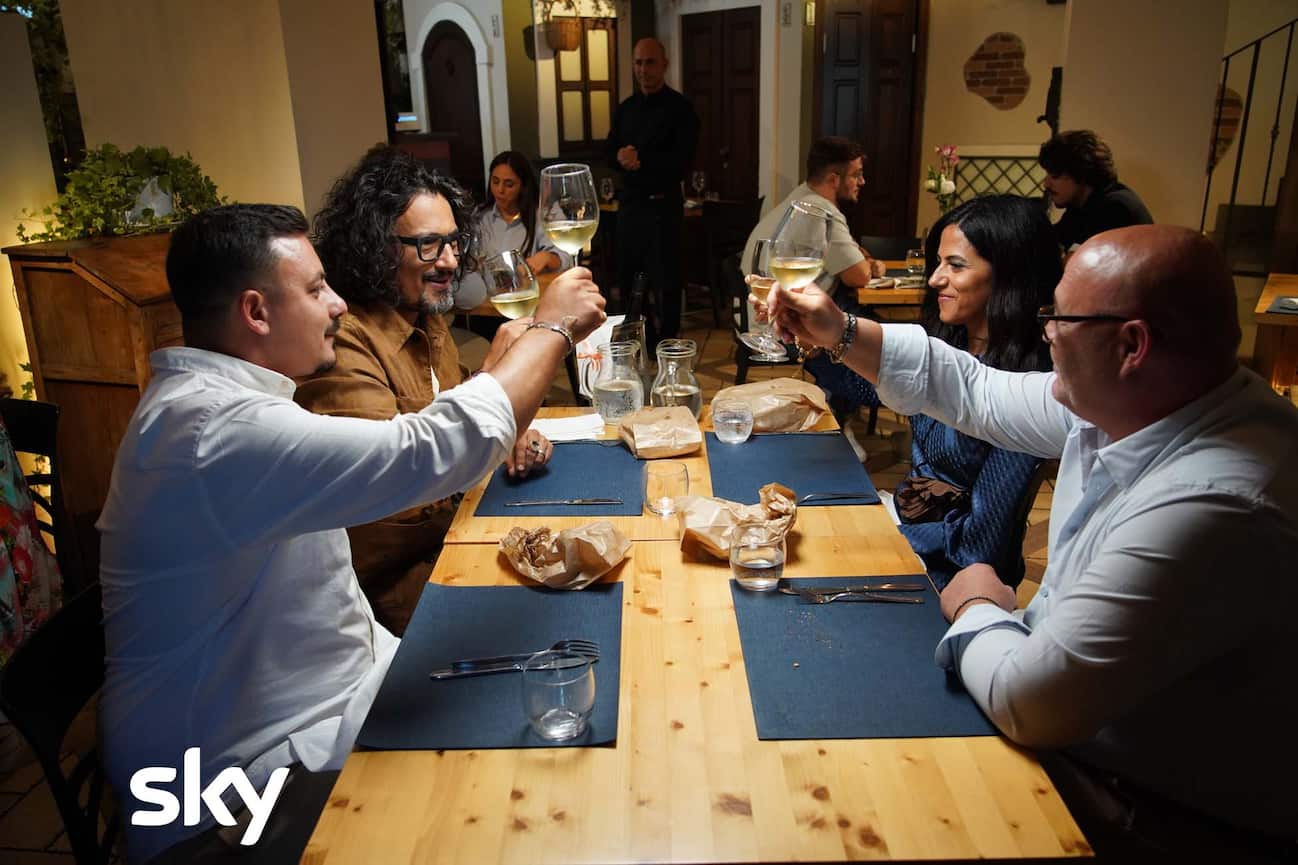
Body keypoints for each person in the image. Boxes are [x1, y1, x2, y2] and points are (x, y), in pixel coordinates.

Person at [764, 224, 1298, 860]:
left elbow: (1032, 700)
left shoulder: (1217, 500)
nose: (1045, 329)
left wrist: (977, 605)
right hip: (1090, 739)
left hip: (1155, 813)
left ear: (1132, 344)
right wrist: (839, 329)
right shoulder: (1152, 398)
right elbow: (975, 391)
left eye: (1060, 315)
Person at [97, 203, 604, 863]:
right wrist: (552, 327)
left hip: (329, 704)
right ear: (255, 312)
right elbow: (426, 451)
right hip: (229, 795)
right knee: (522, 801)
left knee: (555, 687)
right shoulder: (211, 432)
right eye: (314, 289)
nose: (336, 304)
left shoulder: (229, 404)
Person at [297, 146, 556, 635]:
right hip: (396, 594)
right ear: (374, 246)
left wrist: (508, 435)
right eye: (428, 246)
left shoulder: (426, 318)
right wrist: (519, 360)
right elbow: (397, 493)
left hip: (459, 544)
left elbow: (455, 426)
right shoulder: (343, 342)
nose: (450, 261)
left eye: (454, 243)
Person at [804, 195, 1059, 590]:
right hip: (909, 533)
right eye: (937, 263)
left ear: (1009, 275)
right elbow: (869, 389)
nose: (935, 278)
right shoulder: (949, 340)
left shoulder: (1025, 394)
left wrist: (878, 535)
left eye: (955, 265)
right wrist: (810, 342)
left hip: (955, 579)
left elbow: (982, 546)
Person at [606, 37, 700, 344]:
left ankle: (668, 341)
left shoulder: (681, 109)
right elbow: (609, 149)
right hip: (631, 206)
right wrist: (620, 157)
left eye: (649, 62)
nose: (642, 69)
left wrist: (641, 160)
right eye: (638, 63)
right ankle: (637, 337)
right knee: (629, 278)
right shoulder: (626, 109)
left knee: (667, 280)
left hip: (663, 207)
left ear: (664, 65)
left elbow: (682, 160)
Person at [742, 136, 887, 297]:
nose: (862, 181)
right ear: (834, 180)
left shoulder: (800, 197)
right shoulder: (819, 211)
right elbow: (859, 277)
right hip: (777, 315)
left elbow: (854, 252)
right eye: (856, 175)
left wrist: (863, 259)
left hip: (755, 312)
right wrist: (867, 264)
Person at [454, 150, 572, 315]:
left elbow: (568, 256)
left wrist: (547, 257)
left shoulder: (545, 213)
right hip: (488, 308)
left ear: (523, 186)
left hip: (534, 307)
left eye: (509, 184)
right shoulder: (481, 216)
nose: (500, 190)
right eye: (495, 182)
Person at [1039, 129, 1152, 254]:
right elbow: (1049, 240)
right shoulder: (1081, 206)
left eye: (1055, 175)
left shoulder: (1114, 208)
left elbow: (1074, 265)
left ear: (1081, 173)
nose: (1046, 184)